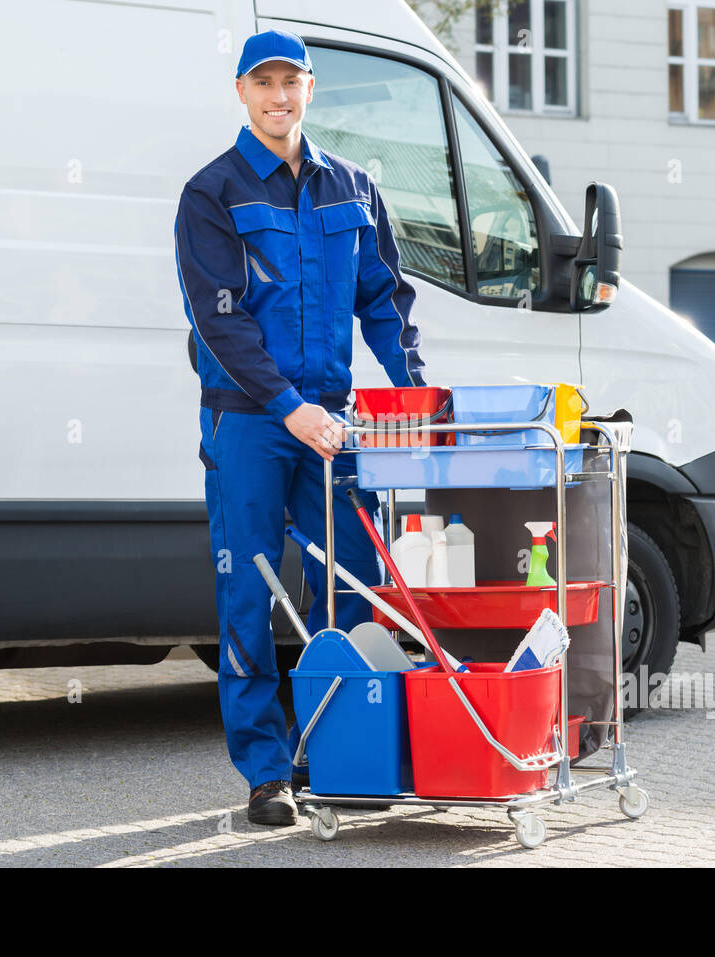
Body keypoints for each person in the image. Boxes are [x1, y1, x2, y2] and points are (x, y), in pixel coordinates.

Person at [174, 29, 426, 826]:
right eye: (264, 83)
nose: (279, 96)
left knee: (351, 591)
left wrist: (415, 393)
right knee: (248, 596)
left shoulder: (351, 187)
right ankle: (267, 771)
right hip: (251, 425)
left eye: (292, 82)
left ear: (312, 89)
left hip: (337, 431)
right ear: (242, 94)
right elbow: (223, 324)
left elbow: (384, 301)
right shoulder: (210, 194)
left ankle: (339, 751)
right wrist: (292, 408)